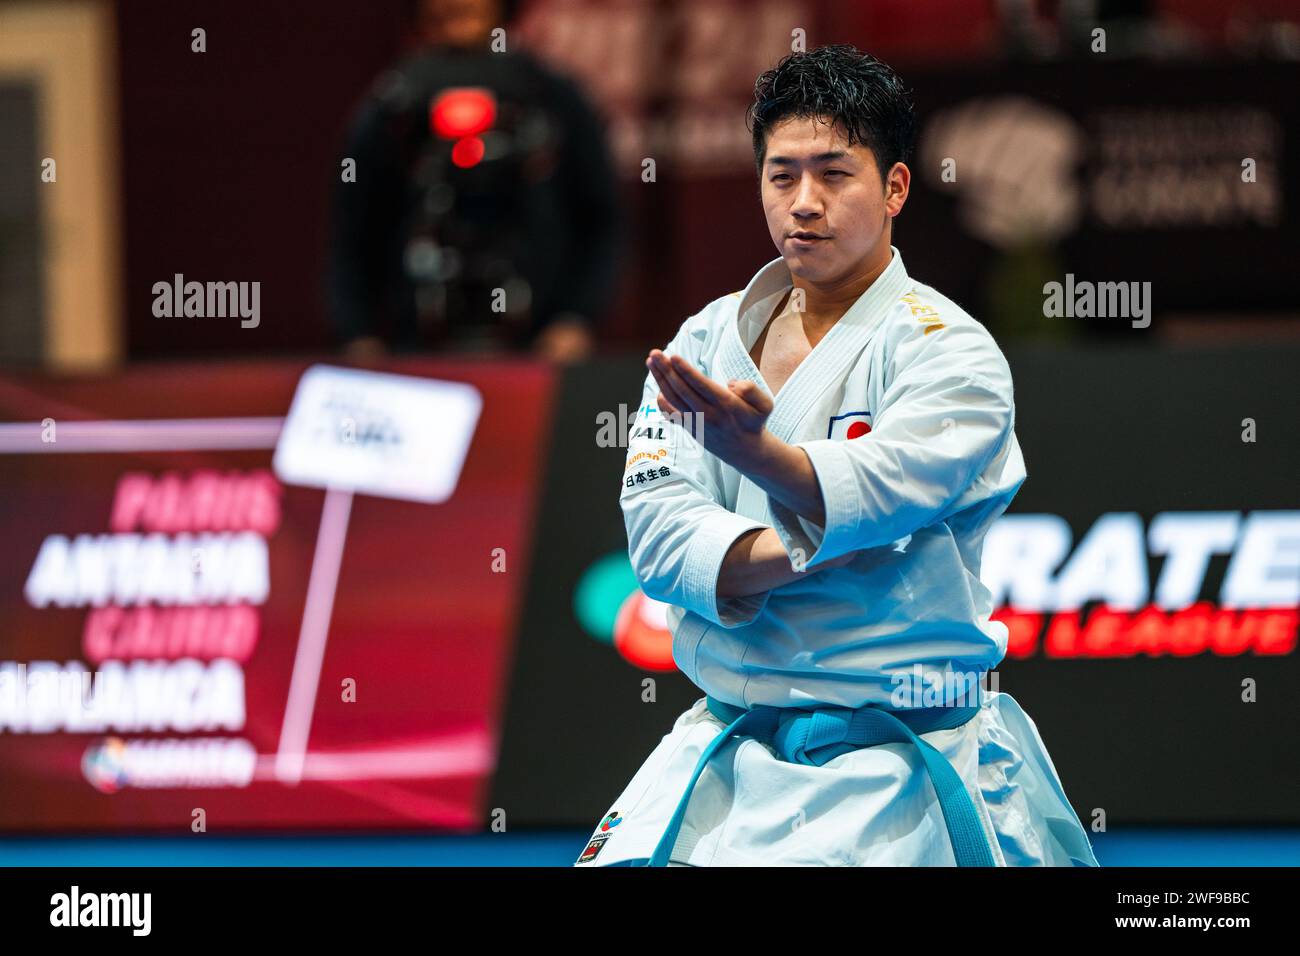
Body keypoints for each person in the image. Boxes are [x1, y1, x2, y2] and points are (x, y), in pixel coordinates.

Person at [576, 45, 1098, 867]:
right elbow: (662, 544)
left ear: (895, 188)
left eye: (834, 174)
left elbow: (889, 495)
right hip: (728, 748)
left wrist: (757, 458)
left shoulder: (952, 352)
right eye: (781, 177)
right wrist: (814, 540)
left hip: (904, 762)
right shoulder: (703, 343)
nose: (804, 204)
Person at [327, 0, 621, 364]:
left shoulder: (552, 99)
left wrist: (575, 320)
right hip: (418, 354)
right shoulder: (391, 107)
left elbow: (602, 221)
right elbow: (353, 232)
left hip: (537, 353)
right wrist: (359, 335)